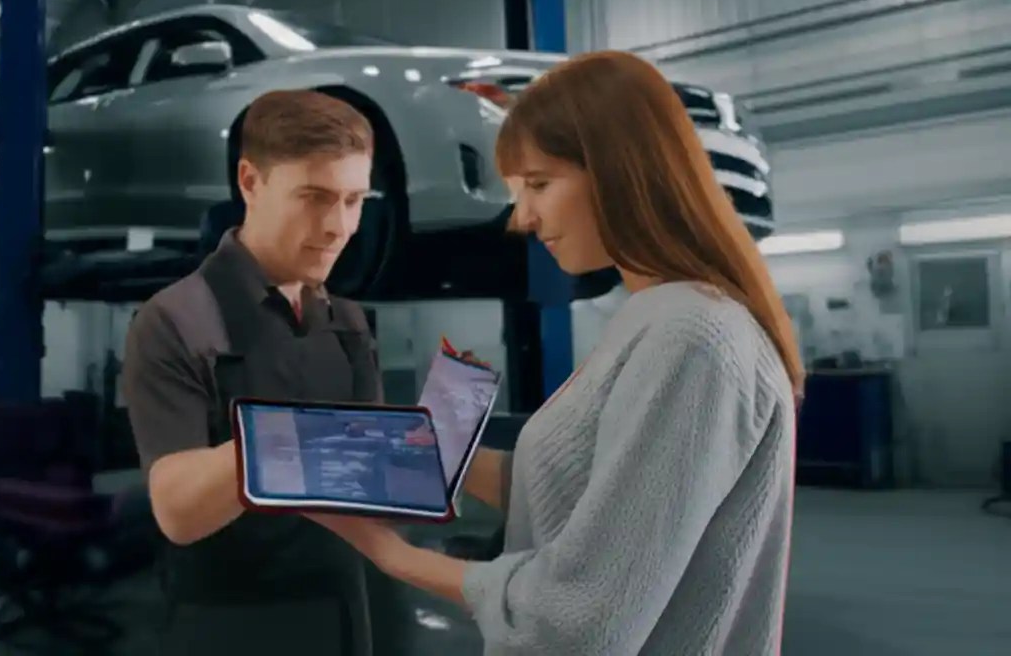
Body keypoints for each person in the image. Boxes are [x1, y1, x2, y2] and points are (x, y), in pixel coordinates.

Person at [305, 50, 805, 655]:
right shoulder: (659, 319)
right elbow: (585, 495)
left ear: (621, 170)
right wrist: (410, 453)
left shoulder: (691, 339)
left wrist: (390, 553)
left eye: (539, 184)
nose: (522, 218)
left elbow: (578, 617)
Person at [121, 89, 383, 654]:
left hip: (344, 612)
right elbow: (177, 511)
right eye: (314, 197)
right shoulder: (175, 320)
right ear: (250, 181)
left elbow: (372, 481)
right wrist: (303, 440)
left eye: (354, 199)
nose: (339, 225)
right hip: (231, 625)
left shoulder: (348, 322)